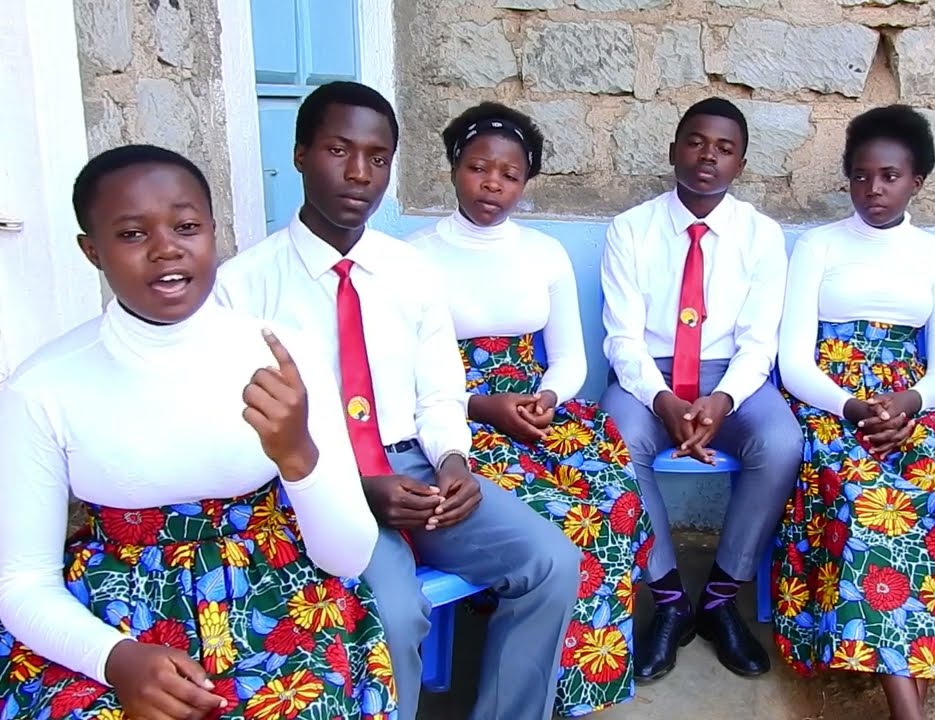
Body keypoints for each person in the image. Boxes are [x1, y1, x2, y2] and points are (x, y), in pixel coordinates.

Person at [214, 81, 580, 720]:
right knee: (394, 609)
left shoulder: (411, 273)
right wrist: (354, 483)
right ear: (299, 154)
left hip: (415, 470)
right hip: (312, 483)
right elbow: (240, 430)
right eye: (338, 150)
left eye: (378, 157)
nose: (359, 173)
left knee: (550, 562)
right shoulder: (243, 287)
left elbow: (440, 390)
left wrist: (454, 464)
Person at [0, 144, 396, 719]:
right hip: (112, 624)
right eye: (132, 234)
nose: (166, 249)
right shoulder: (43, 387)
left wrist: (298, 456)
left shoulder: (280, 357)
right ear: (93, 252)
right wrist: (117, 660)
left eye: (186, 226)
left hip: (277, 601)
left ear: (213, 232)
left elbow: (348, 557)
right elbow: (21, 581)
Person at [406, 101, 652, 716]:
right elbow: (405, 376)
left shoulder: (543, 253)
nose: (492, 184)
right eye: (478, 168)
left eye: (509, 174)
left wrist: (546, 398)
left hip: (536, 411)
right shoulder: (412, 258)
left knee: (615, 500)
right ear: (453, 168)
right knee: (557, 514)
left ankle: (580, 683)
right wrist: (483, 404)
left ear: (526, 181)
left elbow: (569, 358)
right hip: (457, 419)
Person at [775, 105, 935, 720]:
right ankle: (906, 706)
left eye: (890, 176)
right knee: (871, 504)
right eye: (861, 176)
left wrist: (908, 404)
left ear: (917, 180)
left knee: (929, 495)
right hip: (828, 402)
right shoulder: (818, 246)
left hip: (915, 404)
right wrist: (853, 405)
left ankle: (899, 675)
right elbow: (793, 361)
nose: (875, 189)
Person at [599, 96, 804, 684]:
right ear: (672, 151)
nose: (707, 156)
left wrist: (722, 401)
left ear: (740, 164)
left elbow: (759, 342)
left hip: (730, 375)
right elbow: (622, 337)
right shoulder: (630, 230)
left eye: (724, 148)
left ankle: (718, 599)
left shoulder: (761, 235)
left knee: (782, 443)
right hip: (648, 376)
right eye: (695, 141)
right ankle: (669, 602)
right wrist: (662, 400)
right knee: (613, 439)